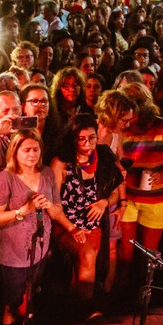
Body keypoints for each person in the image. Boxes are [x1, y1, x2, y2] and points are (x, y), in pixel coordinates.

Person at [0, 129, 74, 325]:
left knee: (31, 295)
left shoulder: (46, 173)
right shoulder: (5, 178)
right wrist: (24, 210)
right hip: (13, 253)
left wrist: (50, 207)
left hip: (39, 249)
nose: (31, 154)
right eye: (26, 150)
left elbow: (57, 209)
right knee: (11, 302)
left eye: (35, 149)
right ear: (15, 152)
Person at [51, 115, 124, 308]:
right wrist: (71, 228)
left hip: (95, 227)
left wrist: (104, 203)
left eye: (92, 138)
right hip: (67, 227)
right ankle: (87, 310)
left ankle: (76, 313)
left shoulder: (104, 157)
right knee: (87, 257)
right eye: (81, 139)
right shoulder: (61, 163)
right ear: (72, 138)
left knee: (82, 273)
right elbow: (53, 204)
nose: (87, 144)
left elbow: (115, 193)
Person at [119, 88, 163, 280]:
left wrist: (162, 173)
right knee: (126, 250)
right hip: (127, 197)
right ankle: (122, 289)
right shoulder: (121, 128)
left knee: (148, 252)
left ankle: (144, 287)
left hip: (157, 198)